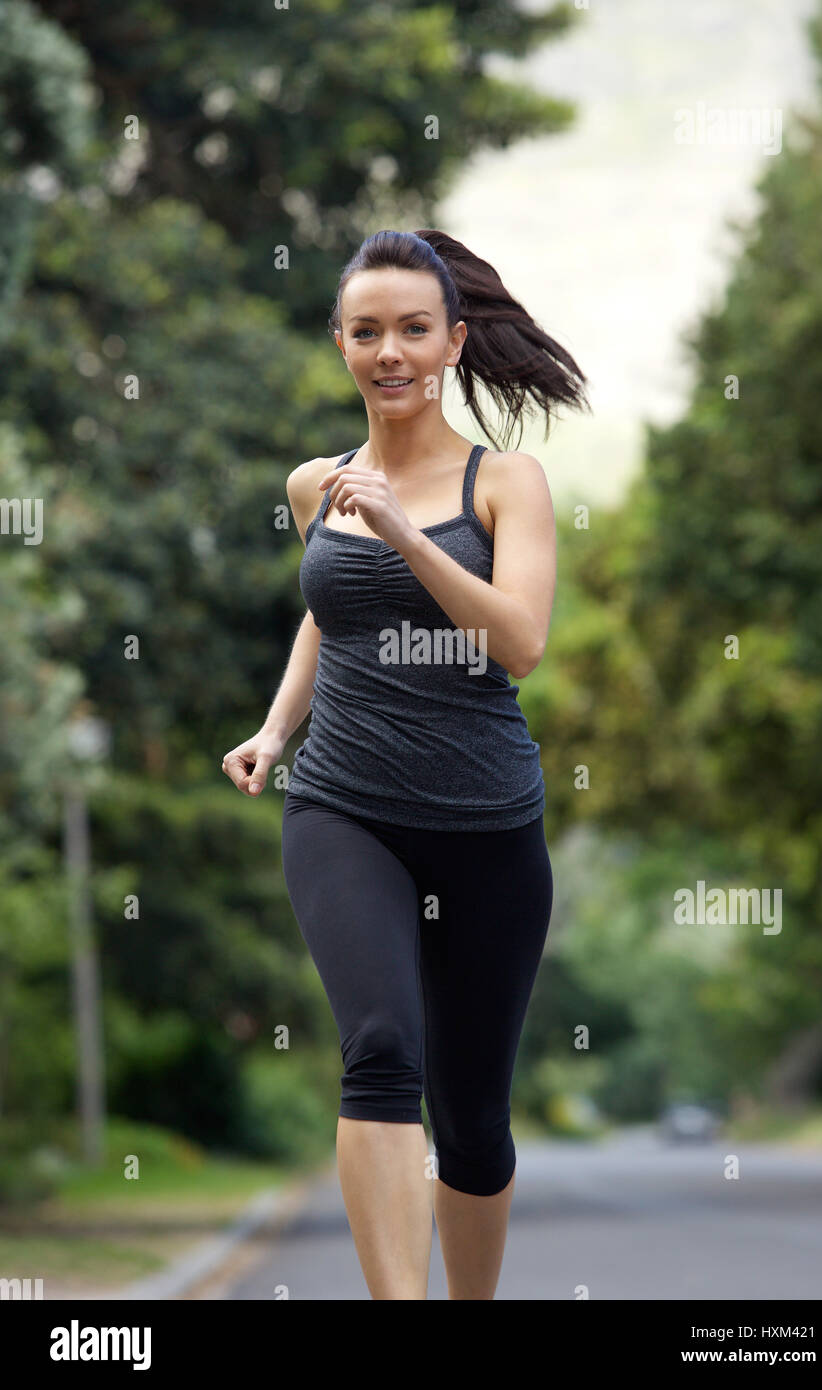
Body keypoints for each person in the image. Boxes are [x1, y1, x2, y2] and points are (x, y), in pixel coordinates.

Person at [221, 228, 590, 1299]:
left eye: (413, 330)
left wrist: (405, 534)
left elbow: (517, 640)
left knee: (471, 1120)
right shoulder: (314, 485)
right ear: (338, 339)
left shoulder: (503, 482)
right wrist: (275, 730)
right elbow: (329, 616)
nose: (390, 351)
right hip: (344, 808)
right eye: (366, 330)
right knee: (381, 1049)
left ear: (452, 341)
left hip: (485, 824)